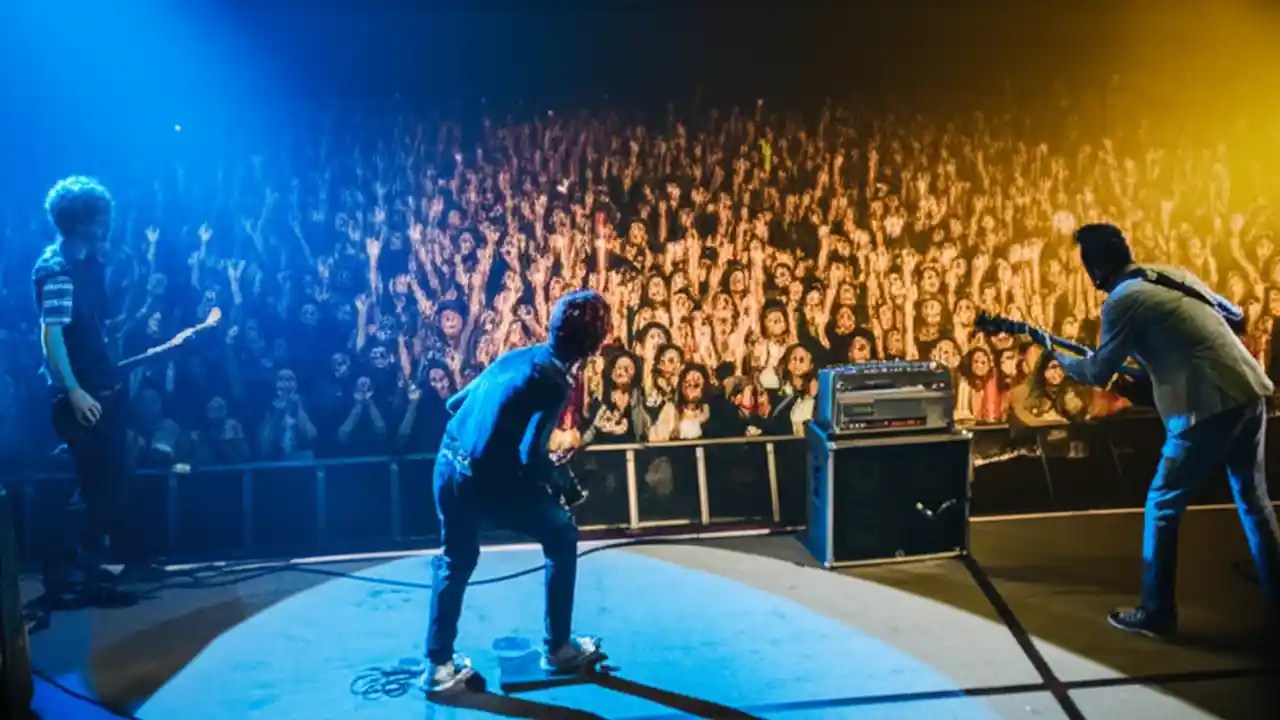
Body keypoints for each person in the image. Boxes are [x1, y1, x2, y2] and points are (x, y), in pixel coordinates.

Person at [1037, 223, 1279, 638]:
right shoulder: (1171, 274)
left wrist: (1057, 355)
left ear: (1094, 268)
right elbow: (1235, 316)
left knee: (1163, 504)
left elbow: (1097, 371)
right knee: (1254, 500)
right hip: (1250, 389)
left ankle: (1157, 612)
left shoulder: (1121, 302)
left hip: (1204, 406)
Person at [423, 289, 612, 695]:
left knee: (455, 559)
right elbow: (531, 456)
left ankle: (438, 666)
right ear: (594, 345)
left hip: (448, 463)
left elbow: (456, 403)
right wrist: (561, 482)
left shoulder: (520, 355)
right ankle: (559, 649)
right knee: (562, 534)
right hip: (486, 481)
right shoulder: (552, 380)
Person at [30, 176, 136, 608]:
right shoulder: (56, 269)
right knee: (84, 492)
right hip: (81, 395)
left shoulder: (91, 262)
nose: (108, 224)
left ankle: (91, 577)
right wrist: (72, 389)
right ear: (82, 223)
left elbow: (96, 324)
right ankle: (65, 582)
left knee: (106, 488)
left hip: (104, 388)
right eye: (102, 217)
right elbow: (51, 336)